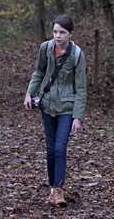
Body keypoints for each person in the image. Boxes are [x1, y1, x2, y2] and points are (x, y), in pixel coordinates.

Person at [24, 14, 88, 206]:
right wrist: (29, 93)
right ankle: (53, 189)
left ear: (70, 34)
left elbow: (81, 87)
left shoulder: (77, 55)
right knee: (51, 150)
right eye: (55, 32)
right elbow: (39, 72)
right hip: (47, 104)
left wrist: (78, 116)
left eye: (62, 32)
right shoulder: (45, 48)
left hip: (67, 107)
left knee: (60, 148)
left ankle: (59, 191)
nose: (58, 36)